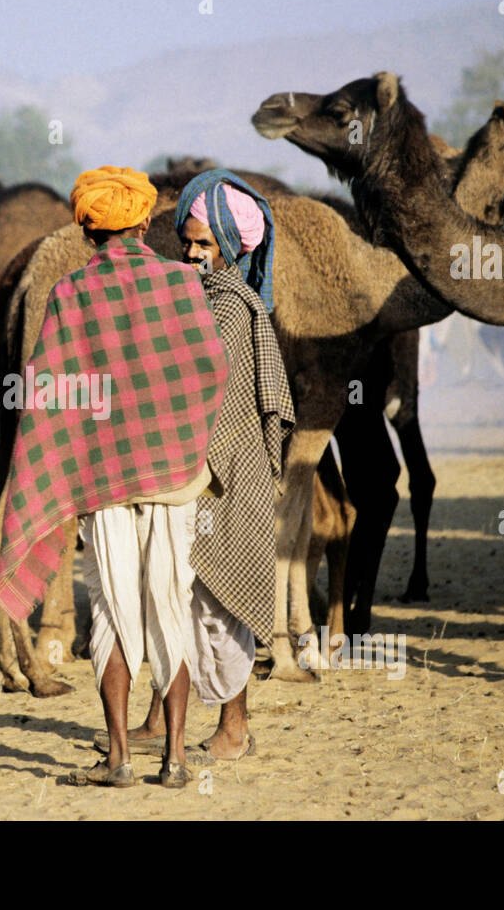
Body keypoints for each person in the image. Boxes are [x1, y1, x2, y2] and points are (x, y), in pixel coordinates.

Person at [0, 166, 229, 788]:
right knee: (169, 609)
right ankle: (176, 760)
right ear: (145, 222)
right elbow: (210, 371)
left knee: (112, 614)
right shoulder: (183, 283)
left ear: (86, 227)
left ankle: (120, 758)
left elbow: (47, 392)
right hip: (176, 477)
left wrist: (79, 453)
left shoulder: (71, 293)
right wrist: (177, 435)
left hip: (101, 483)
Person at [104, 168, 294, 762]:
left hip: (225, 480)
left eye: (204, 245)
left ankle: (234, 729)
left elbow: (207, 393)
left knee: (216, 607)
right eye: (186, 242)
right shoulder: (196, 297)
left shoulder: (232, 308)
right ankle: (163, 719)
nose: (190, 253)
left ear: (233, 248)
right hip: (194, 475)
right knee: (176, 600)